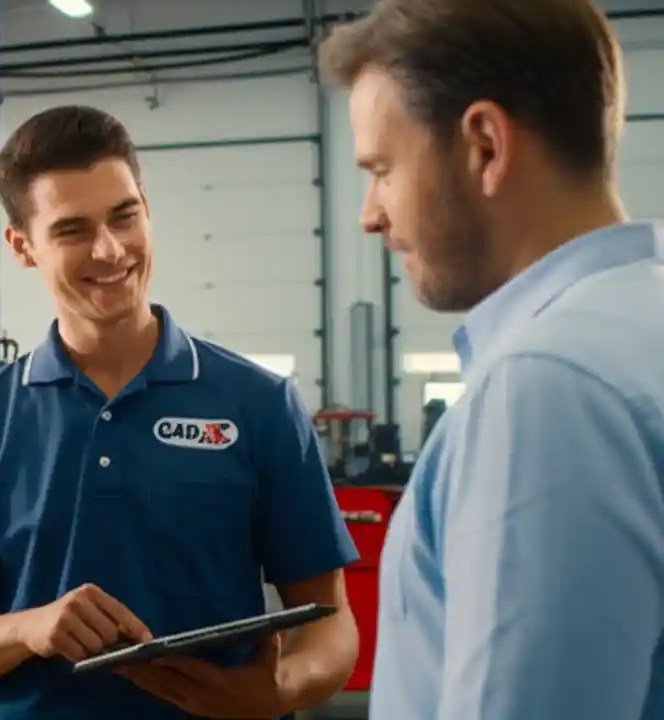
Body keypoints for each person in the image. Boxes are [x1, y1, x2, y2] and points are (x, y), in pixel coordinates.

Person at [0, 105, 360, 720]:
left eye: (124, 216)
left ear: (147, 206)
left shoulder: (260, 405)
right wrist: (28, 628)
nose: (110, 250)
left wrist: (281, 688)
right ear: (22, 246)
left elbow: (331, 623)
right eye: (71, 230)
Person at [320, 2, 664, 719]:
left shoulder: (547, 391)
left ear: (483, 145)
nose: (369, 213)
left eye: (381, 168)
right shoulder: (638, 333)